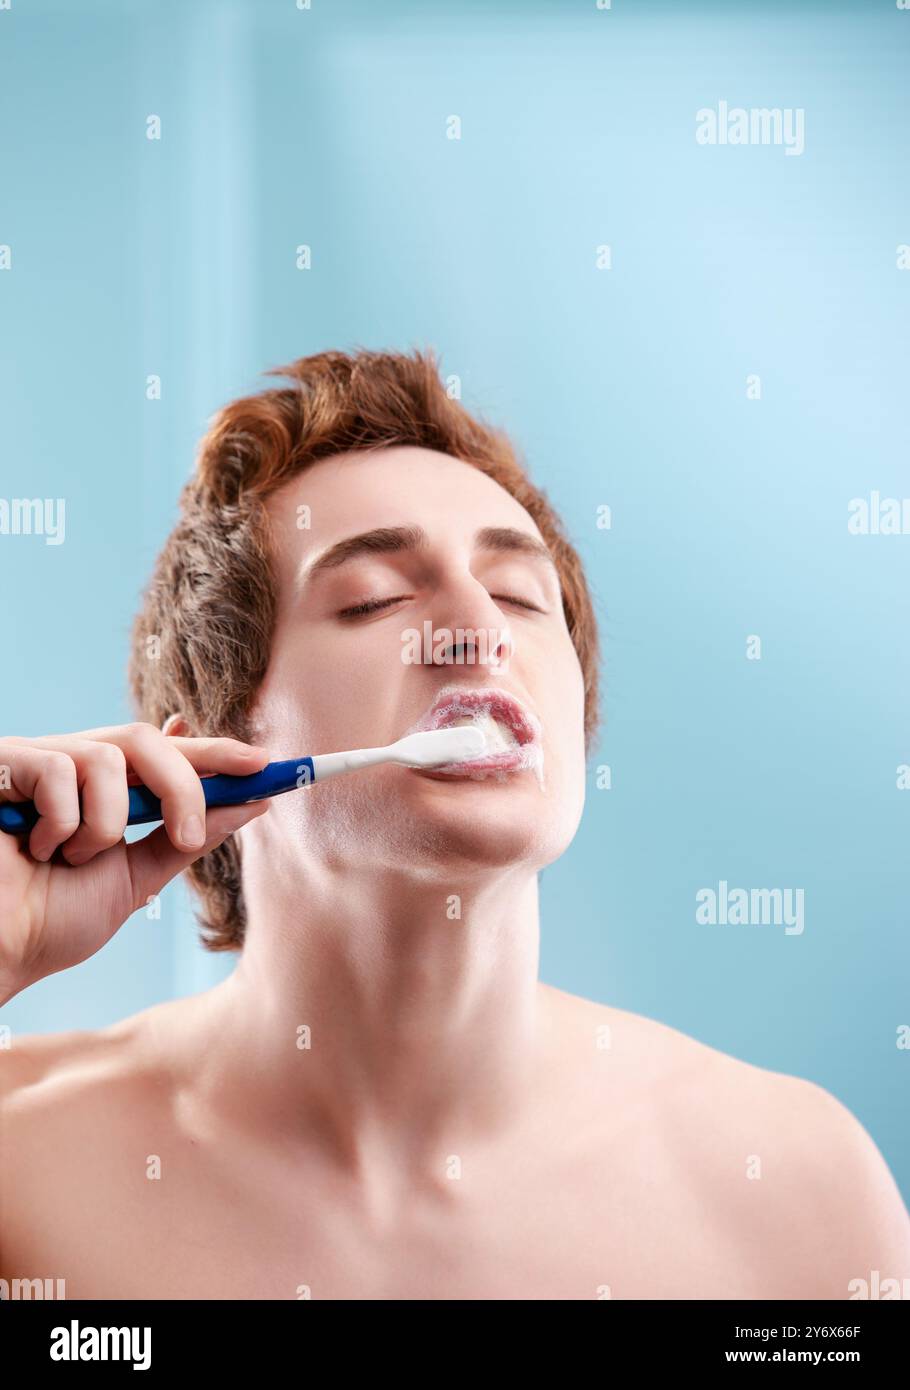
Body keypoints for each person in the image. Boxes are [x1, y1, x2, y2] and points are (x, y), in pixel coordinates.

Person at [1, 348, 908, 1301]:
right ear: (214, 762)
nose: (476, 626)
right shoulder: (23, 1170)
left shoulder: (801, 1193)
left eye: (523, 595)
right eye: (375, 599)